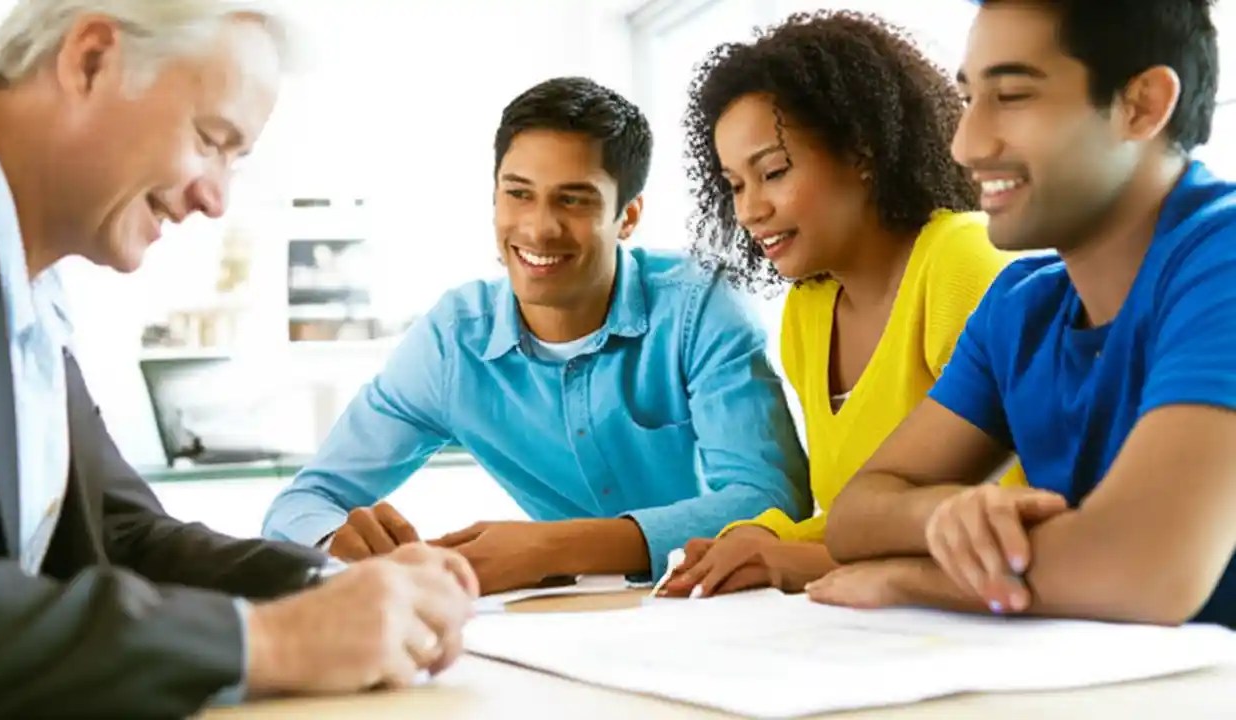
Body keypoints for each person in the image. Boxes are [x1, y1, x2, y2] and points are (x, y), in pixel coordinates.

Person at [0, 2, 478, 715]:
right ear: (91, 60)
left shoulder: (29, 286)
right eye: (210, 139)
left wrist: (331, 589)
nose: (215, 198)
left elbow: (122, 535)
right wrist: (268, 644)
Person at [261, 76, 809, 594]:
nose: (538, 227)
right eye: (518, 194)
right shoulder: (454, 342)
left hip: (724, 608)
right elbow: (303, 502)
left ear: (628, 217)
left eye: (573, 199)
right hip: (567, 627)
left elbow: (771, 500)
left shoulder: (699, 306)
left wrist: (551, 547)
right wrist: (336, 543)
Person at [817, 0, 1236, 628]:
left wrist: (909, 577)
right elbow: (855, 516)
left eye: (1011, 95)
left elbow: (1145, 569)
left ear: (1141, 105)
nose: (965, 144)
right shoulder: (1021, 306)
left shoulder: (1222, 257)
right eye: (967, 99)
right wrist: (946, 517)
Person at [658, 11, 1024, 599]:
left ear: (861, 153)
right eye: (734, 185)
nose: (750, 210)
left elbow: (1011, 519)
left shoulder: (963, 261)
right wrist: (758, 535)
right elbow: (858, 519)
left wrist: (789, 561)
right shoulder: (808, 312)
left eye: (772, 172)